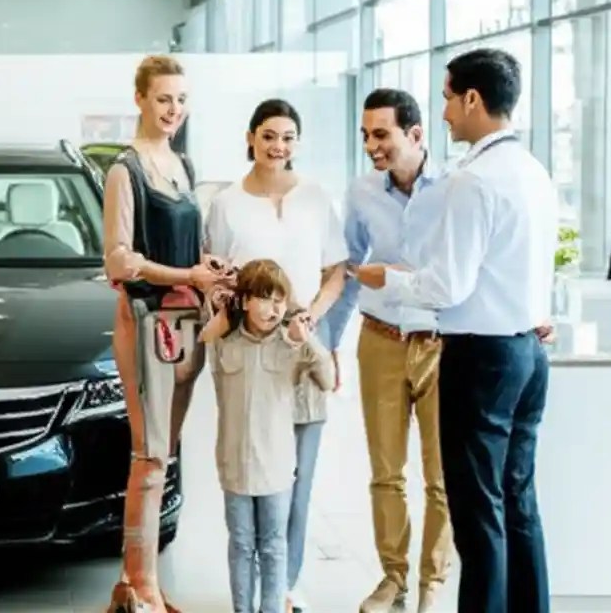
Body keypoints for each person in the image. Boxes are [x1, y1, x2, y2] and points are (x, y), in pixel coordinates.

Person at [353, 48, 558, 613]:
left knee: (476, 513)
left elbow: (447, 288)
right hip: (528, 354)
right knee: (518, 500)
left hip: (482, 358)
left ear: (473, 99)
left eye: (447, 98)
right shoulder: (533, 170)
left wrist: (387, 280)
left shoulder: (475, 179)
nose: (443, 114)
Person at [203, 98, 347, 613]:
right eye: (268, 136)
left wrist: (312, 318)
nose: (278, 146)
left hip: (301, 333)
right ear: (250, 138)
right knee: (253, 460)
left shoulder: (315, 198)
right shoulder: (226, 203)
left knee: (299, 473)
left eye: (288, 137)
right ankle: (254, 590)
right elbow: (217, 276)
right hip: (248, 345)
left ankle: (284, 584)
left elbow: (336, 270)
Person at [102, 53, 232, 613]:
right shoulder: (124, 170)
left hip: (186, 328)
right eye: (163, 99)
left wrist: (209, 268)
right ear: (140, 100)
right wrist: (186, 275)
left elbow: (187, 247)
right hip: (146, 323)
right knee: (149, 457)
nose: (173, 109)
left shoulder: (182, 165)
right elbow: (118, 260)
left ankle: (147, 583)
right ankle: (141, 585)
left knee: (166, 455)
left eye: (180, 100)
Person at [319, 88, 452, 613]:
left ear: (415, 134)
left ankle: (432, 584)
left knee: (440, 477)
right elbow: (348, 271)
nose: (372, 146)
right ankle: (393, 578)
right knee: (386, 472)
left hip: (441, 345)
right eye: (366, 135)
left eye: (382, 135)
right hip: (379, 340)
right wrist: (329, 342)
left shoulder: (454, 190)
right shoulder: (360, 192)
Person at [198, 259, 337, 613]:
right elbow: (201, 338)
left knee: (274, 547)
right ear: (244, 301)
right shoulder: (225, 341)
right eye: (262, 298)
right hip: (234, 467)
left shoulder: (290, 344)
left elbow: (328, 379)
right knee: (242, 545)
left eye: (279, 300)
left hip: (276, 469)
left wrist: (307, 341)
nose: (272, 308)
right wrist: (224, 312)